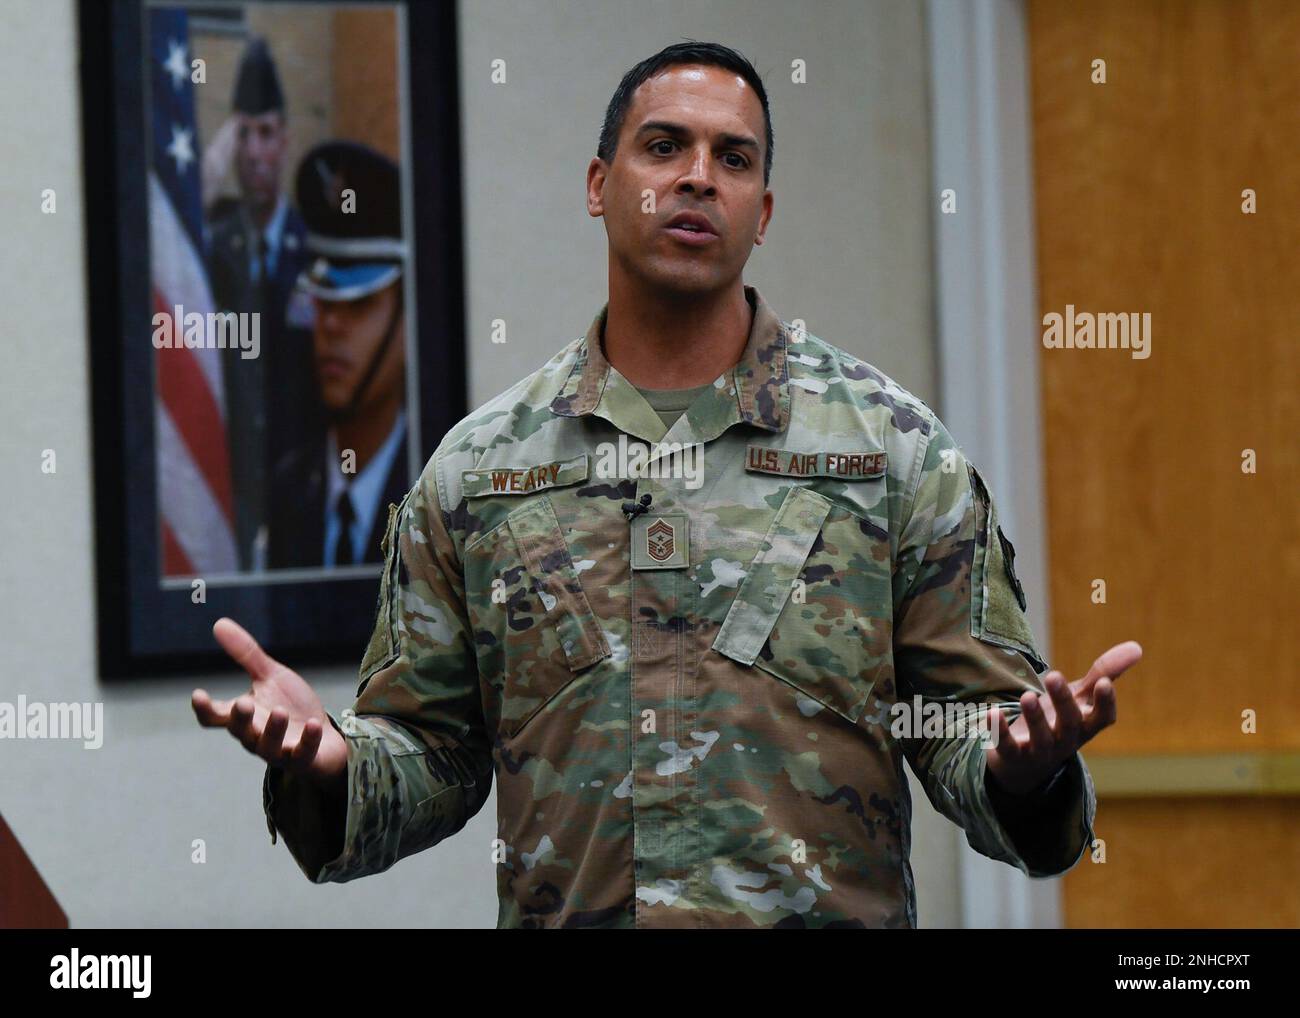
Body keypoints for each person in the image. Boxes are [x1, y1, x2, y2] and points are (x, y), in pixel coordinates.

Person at [193, 42, 1142, 928]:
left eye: (734, 159)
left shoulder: (890, 452)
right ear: (601, 188)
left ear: (761, 214)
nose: (698, 176)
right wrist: (334, 763)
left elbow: (968, 733)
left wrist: (1025, 767)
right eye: (664, 147)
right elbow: (431, 750)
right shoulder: (482, 472)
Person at [265, 141, 410, 569]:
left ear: (406, 319)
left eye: (360, 304)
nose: (330, 326)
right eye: (325, 303)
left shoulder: (438, 491)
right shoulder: (285, 492)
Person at [205, 36, 317, 571]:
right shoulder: (210, 247)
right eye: (243, 135)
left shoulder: (313, 249)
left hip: (300, 488)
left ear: (285, 141)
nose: (254, 153)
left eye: (266, 134)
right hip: (227, 484)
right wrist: (202, 185)